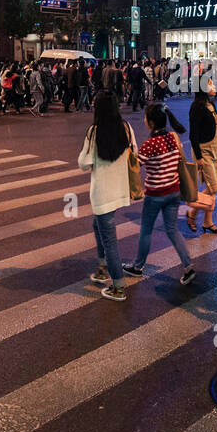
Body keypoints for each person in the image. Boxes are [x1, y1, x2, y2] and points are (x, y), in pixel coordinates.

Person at [123, 104, 196, 285]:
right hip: (174, 191)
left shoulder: (150, 145)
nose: (144, 120)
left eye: (146, 118)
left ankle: (138, 267)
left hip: (155, 194)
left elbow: (135, 166)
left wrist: (128, 152)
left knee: (146, 230)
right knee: (172, 230)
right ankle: (188, 266)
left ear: (152, 122)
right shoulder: (173, 137)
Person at [79, 91, 137, 301]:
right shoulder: (126, 128)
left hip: (102, 194)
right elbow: (135, 153)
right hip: (120, 191)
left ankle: (118, 286)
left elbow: (83, 163)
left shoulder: (94, 132)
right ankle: (103, 267)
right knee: (98, 226)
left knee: (110, 240)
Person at [186, 81, 217, 234]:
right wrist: (199, 156)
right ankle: (192, 210)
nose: (214, 86)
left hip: (214, 148)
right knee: (213, 186)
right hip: (204, 150)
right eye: (210, 84)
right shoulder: (197, 107)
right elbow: (193, 134)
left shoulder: (210, 104)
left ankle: (207, 222)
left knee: (212, 188)